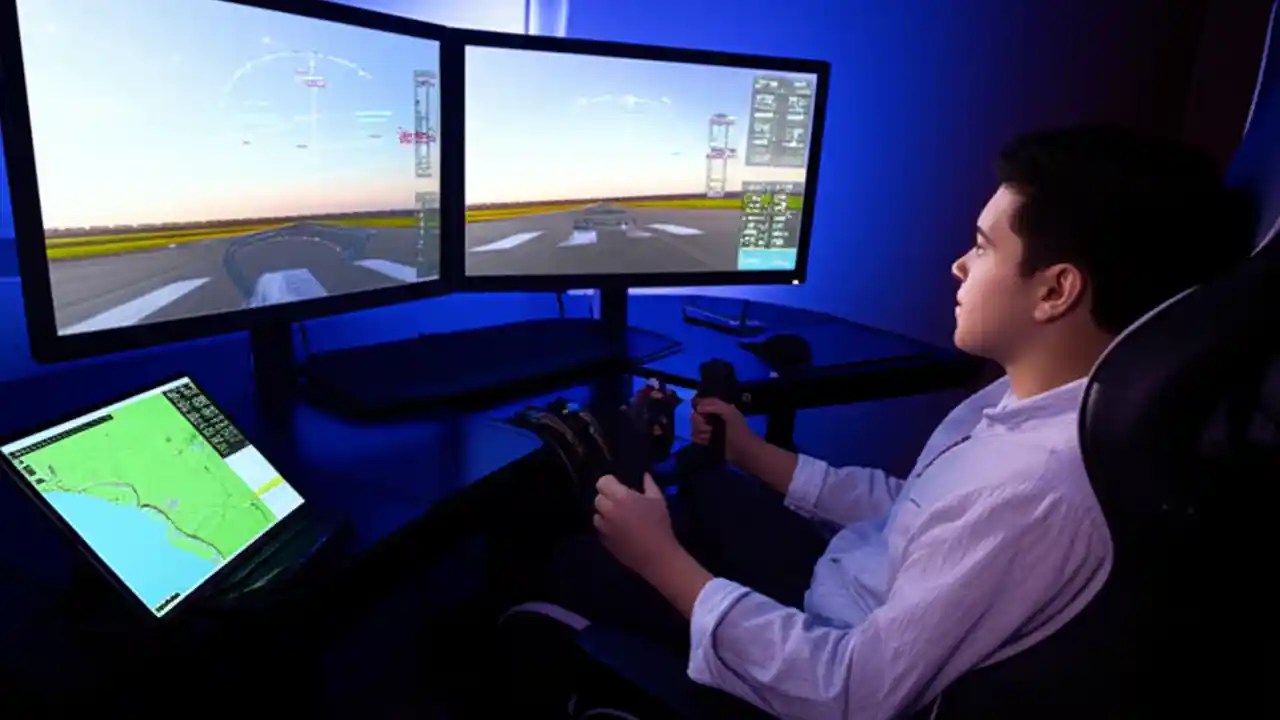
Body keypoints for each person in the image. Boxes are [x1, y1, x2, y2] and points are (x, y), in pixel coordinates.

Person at [540, 125, 1253, 719]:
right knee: (704, 491)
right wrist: (754, 455)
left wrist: (660, 562)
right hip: (845, 587)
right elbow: (911, 512)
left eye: (982, 245)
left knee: (568, 560)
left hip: (825, 665)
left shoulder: (1035, 491)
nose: (957, 265)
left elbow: (851, 691)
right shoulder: (1035, 399)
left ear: (1056, 290)